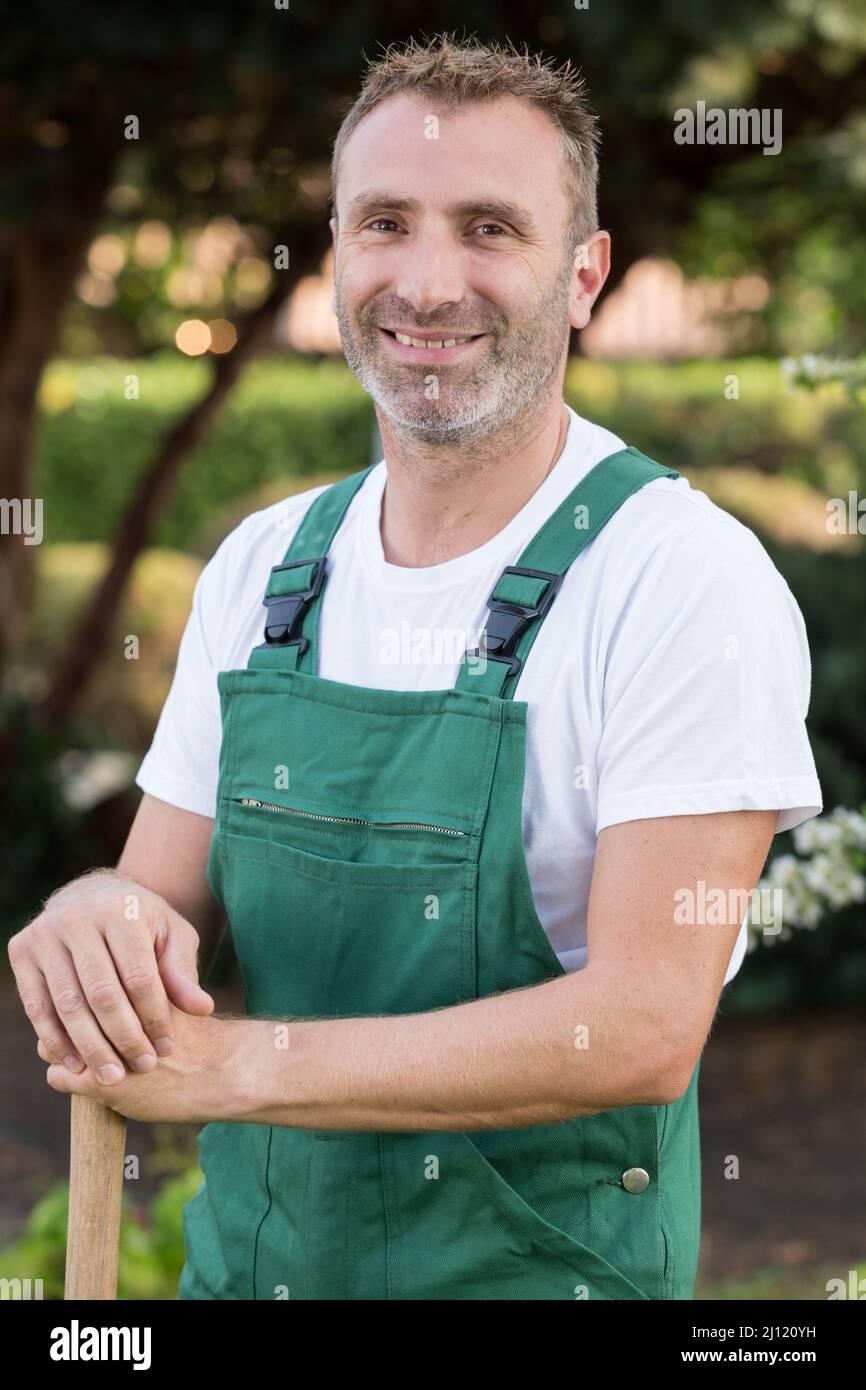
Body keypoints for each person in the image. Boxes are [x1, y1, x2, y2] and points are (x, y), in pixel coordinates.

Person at [9, 33, 822, 1300]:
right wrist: (87, 923)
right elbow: (151, 900)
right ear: (338, 253)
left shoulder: (680, 582)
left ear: (582, 274)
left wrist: (239, 1066)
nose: (428, 281)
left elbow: (642, 1028)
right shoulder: (265, 566)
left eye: (489, 228)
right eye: (384, 222)